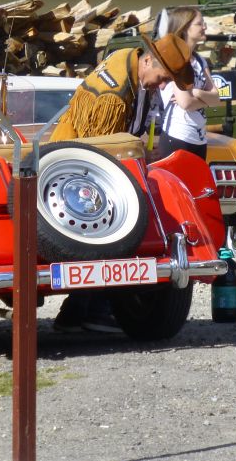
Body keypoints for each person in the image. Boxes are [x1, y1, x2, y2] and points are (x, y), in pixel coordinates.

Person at [51, 32, 195, 332]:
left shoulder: (136, 72)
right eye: (161, 77)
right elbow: (101, 148)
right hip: (79, 166)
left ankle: (77, 312)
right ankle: (91, 310)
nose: (162, 84)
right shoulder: (112, 93)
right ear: (147, 60)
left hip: (87, 162)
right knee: (111, 231)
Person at [156, 6, 220, 160]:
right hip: (178, 137)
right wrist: (205, 98)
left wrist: (196, 93)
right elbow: (186, 103)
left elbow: (217, 99)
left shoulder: (199, 61)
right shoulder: (175, 58)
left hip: (199, 139)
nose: (204, 27)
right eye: (199, 23)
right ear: (184, 28)